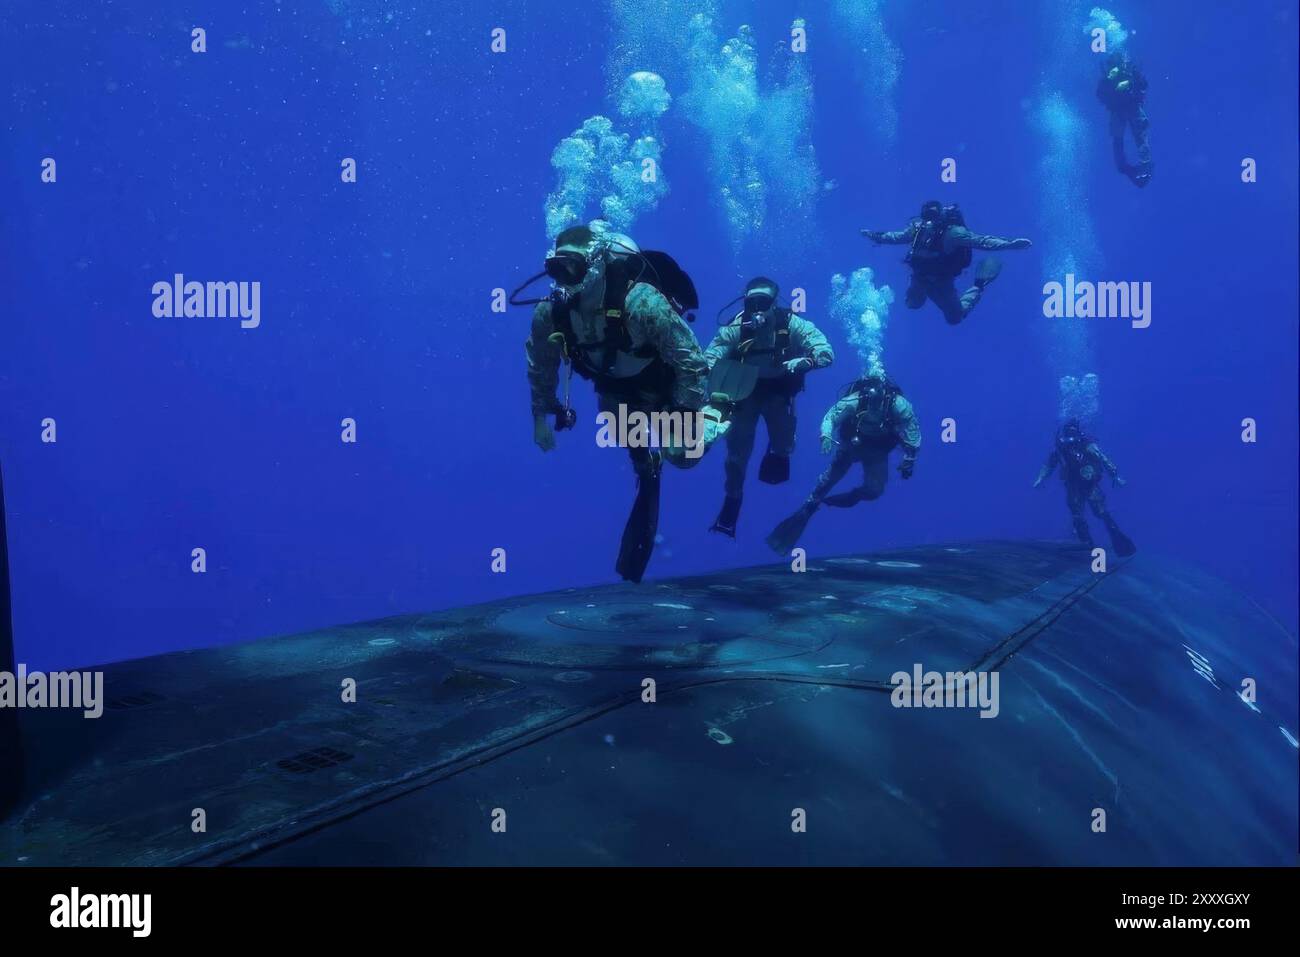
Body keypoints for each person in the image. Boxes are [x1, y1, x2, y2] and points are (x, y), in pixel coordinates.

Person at [518, 222, 730, 583]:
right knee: (631, 445)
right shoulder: (550, 312)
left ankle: (721, 411)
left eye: (574, 265)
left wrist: (686, 413)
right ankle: (646, 463)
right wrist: (541, 414)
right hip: (615, 392)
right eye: (557, 267)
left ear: (598, 262)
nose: (565, 277)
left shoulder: (640, 300)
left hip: (664, 389)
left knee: (682, 455)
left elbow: (691, 362)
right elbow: (542, 362)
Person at [703, 277, 834, 538]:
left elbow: (825, 350)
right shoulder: (735, 328)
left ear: (775, 303)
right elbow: (710, 356)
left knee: (784, 445)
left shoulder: (791, 324)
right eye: (752, 302)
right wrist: (705, 378)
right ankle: (733, 497)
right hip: (743, 395)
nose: (758, 308)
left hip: (779, 392)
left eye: (764, 302)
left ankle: (778, 451)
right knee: (737, 453)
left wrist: (807, 360)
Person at [767, 375, 920, 554]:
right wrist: (826, 435)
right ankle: (810, 506)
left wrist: (909, 459)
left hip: (877, 450)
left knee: (874, 490)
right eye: (871, 401)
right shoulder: (854, 401)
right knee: (826, 482)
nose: (874, 405)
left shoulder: (900, 406)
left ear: (887, 398)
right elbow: (831, 416)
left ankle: (851, 497)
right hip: (852, 446)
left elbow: (912, 431)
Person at [861, 202, 1031, 325]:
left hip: (941, 283)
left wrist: (1010, 244)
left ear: (940, 216)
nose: (928, 221)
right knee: (913, 304)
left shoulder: (953, 234)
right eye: (926, 216)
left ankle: (979, 285)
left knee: (955, 318)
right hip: (919, 278)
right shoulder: (917, 230)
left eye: (932, 216)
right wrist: (875, 236)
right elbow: (895, 237)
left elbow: (981, 241)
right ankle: (923, 295)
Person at [1033, 419, 1136, 556]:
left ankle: (1114, 536)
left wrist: (1115, 475)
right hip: (1073, 485)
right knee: (1077, 513)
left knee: (1100, 511)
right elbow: (1049, 465)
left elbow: (1103, 458)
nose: (1070, 437)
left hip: (1089, 484)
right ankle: (1086, 541)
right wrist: (1040, 478)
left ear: (1078, 432)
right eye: (1068, 433)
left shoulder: (1087, 445)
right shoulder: (1060, 448)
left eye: (1073, 432)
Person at [1096, 51, 1152, 188]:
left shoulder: (1131, 70)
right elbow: (1100, 94)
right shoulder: (1109, 75)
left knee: (1139, 135)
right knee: (1121, 139)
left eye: (1120, 59)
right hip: (1118, 110)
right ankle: (1127, 167)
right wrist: (1109, 80)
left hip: (1131, 107)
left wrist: (1131, 83)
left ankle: (1144, 164)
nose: (1118, 63)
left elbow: (1143, 84)